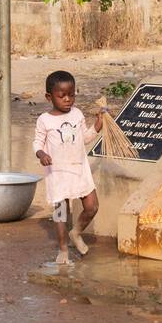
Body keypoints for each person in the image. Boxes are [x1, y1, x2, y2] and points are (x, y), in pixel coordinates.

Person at [33, 70, 103, 265]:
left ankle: (76, 232)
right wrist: (42, 154)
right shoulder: (44, 120)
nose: (67, 99)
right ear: (49, 97)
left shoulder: (77, 114)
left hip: (79, 168)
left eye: (71, 95)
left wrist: (97, 126)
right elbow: (37, 143)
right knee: (61, 212)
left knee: (92, 206)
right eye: (61, 95)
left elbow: (85, 139)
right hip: (58, 172)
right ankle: (63, 249)